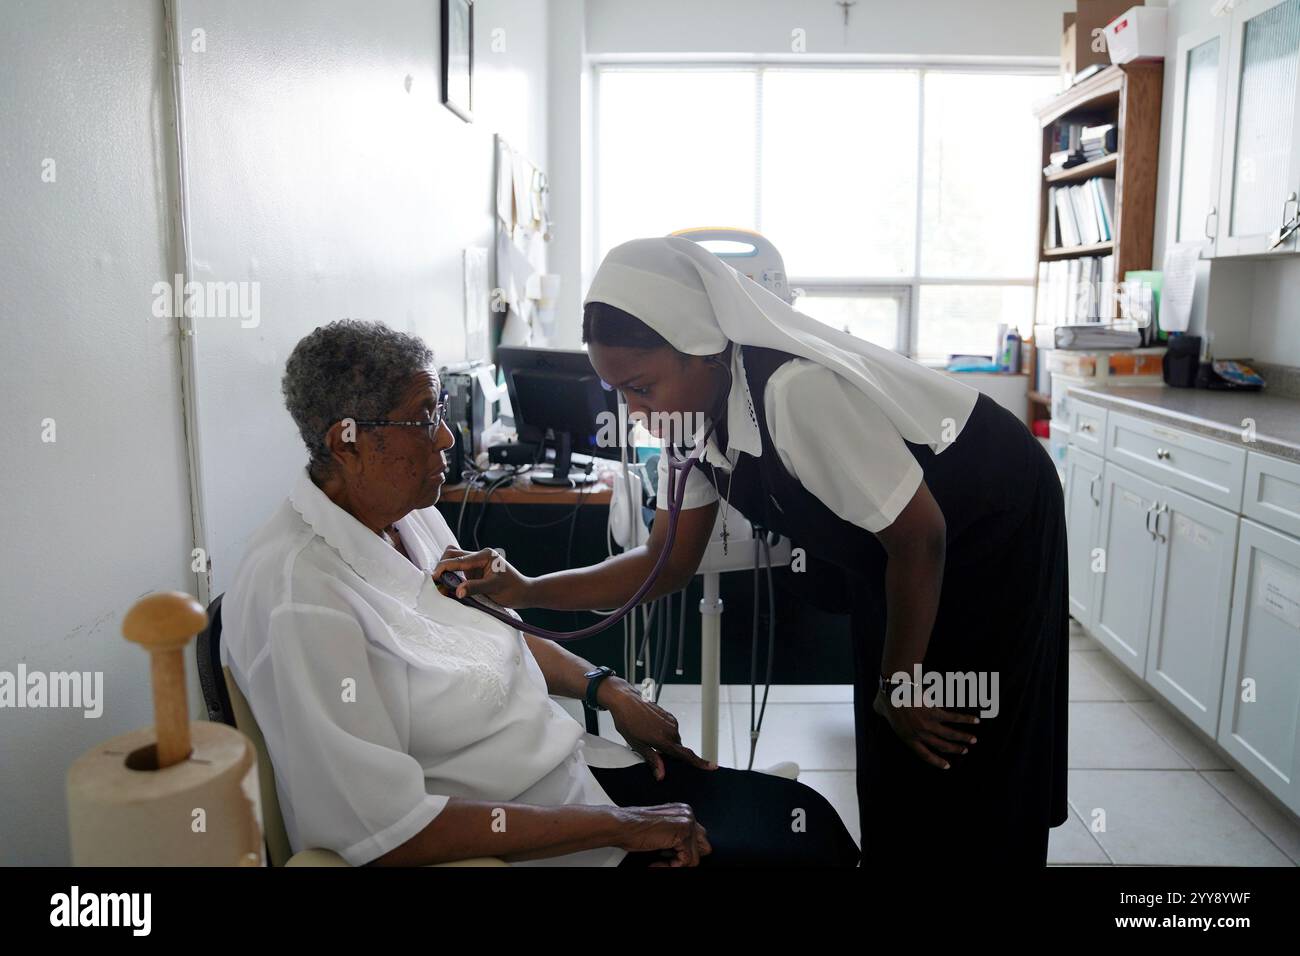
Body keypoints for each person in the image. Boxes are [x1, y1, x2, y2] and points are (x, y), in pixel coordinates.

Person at [435, 237, 1070, 865]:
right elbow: (665, 564)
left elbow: (920, 535)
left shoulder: (795, 394)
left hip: (987, 532)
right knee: (893, 745)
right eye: (620, 394)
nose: (634, 412)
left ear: (705, 354)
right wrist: (526, 589)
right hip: (895, 560)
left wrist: (903, 679)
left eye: (643, 387)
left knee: (962, 738)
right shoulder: (690, 422)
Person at [221, 318, 859, 868]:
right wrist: (623, 829)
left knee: (805, 816)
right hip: (545, 835)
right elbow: (383, 831)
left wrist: (604, 688)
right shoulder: (300, 599)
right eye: (426, 418)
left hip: (578, 775)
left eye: (441, 412)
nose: (448, 438)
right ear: (348, 441)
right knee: (796, 851)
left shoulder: (401, 515)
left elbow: (495, 631)